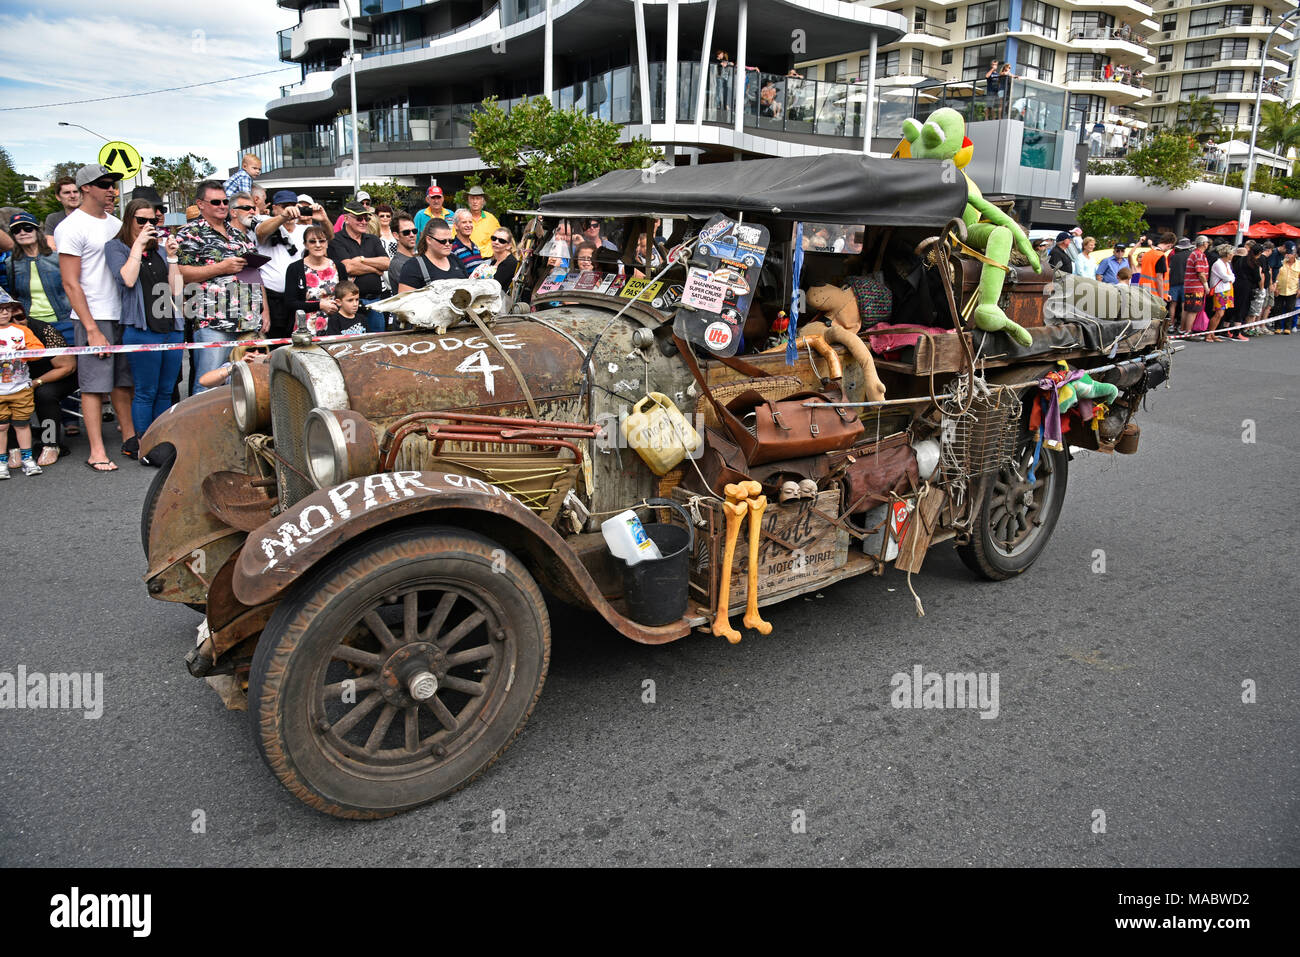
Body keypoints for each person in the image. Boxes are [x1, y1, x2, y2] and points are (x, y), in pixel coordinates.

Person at [56, 162, 133, 472]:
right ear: (85, 188)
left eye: (113, 184)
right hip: (94, 315)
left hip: (122, 313)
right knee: (93, 385)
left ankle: (130, 438)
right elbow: (70, 282)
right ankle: (97, 451)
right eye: (104, 184)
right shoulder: (71, 227)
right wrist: (90, 328)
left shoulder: (115, 223)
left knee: (123, 382)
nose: (110, 189)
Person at [105, 198, 184, 457]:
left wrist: (172, 258)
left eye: (153, 220)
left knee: (165, 389)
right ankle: (143, 443)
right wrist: (138, 244)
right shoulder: (116, 247)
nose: (148, 225)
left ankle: (162, 441)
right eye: (142, 220)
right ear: (129, 220)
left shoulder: (161, 250)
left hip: (171, 326)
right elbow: (127, 279)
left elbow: (176, 291)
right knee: (145, 391)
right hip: (141, 327)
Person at [177, 180, 268, 393]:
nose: (222, 206)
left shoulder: (240, 235)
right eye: (215, 202)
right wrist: (221, 268)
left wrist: (265, 310)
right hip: (213, 321)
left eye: (225, 201)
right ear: (200, 204)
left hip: (247, 320)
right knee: (208, 383)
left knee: (247, 383)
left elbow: (255, 274)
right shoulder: (190, 233)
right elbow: (181, 273)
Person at [1, 294, 75, 468]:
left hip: (54, 376)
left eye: (20, 316)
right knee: (7, 395)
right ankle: (13, 448)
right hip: (13, 379)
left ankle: (50, 444)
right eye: (10, 317)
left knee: (44, 394)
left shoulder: (43, 330)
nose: (16, 321)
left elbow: (67, 366)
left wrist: (36, 382)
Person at [254, 190, 325, 338]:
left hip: (299, 298)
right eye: (285, 206)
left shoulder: (305, 230)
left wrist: (323, 219)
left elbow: (329, 237)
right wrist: (283, 216)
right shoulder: (266, 223)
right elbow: (261, 233)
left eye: (293, 205)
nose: (290, 209)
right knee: (276, 345)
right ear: (274, 208)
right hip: (274, 299)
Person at [6, 213, 73, 347]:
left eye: (28, 228)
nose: (23, 232)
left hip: (64, 320)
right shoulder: (11, 263)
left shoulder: (57, 257)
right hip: (30, 323)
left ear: (37, 231)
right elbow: (13, 293)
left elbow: (72, 285)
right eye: (16, 230)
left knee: (71, 363)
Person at [0, 294, 47, 477]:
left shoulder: (21, 331)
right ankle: (2, 461)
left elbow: (39, 351)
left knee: (22, 424)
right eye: (0, 309)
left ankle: (27, 459)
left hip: (20, 387)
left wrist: (26, 351)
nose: (4, 313)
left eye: (7, 309)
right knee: (1, 427)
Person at [327, 200, 390, 332]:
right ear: (346, 219)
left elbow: (386, 263)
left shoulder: (373, 239)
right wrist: (375, 269)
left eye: (366, 218)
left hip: (375, 302)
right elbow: (348, 268)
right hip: (350, 304)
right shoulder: (336, 240)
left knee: (378, 343)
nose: (364, 222)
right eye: (359, 218)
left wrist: (361, 259)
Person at [284, 224, 350, 334]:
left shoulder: (338, 266)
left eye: (322, 241)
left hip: (336, 325)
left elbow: (346, 296)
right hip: (306, 327)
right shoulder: (295, 268)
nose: (318, 245)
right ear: (305, 245)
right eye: (312, 241)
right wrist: (320, 305)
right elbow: (290, 303)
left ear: (327, 243)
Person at [397, 219, 467, 293]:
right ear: (429, 240)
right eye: (442, 241)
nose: (447, 244)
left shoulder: (455, 260)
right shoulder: (413, 267)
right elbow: (405, 301)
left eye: (450, 241)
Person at [197, 335, 268, 389]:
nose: (256, 353)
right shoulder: (232, 366)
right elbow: (203, 381)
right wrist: (236, 366)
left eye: (261, 350)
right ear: (241, 350)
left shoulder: (269, 366)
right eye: (251, 349)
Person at [471, 227, 518, 292]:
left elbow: (494, 286)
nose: (496, 242)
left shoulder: (510, 263)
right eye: (494, 238)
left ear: (509, 246)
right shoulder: (494, 261)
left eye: (501, 241)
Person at [1181, 236, 1210, 335]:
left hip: (1189, 285)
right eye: (1207, 242)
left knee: (1188, 308)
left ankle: (1183, 328)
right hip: (1196, 286)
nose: (1208, 244)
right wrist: (1206, 285)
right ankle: (1188, 330)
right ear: (1203, 243)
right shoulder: (1199, 255)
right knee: (1193, 309)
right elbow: (1200, 273)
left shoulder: (1194, 253)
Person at [1207, 244, 1236, 343]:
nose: (1233, 255)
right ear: (1227, 254)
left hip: (1226, 289)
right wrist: (1230, 278)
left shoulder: (1227, 264)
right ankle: (1209, 334)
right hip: (1219, 290)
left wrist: (1230, 278)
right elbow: (1226, 277)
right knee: (1218, 313)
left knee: (1221, 313)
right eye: (1232, 253)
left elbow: (1232, 276)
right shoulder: (1218, 264)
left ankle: (1213, 333)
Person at [1137, 232, 1173, 303]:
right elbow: (1159, 278)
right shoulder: (1161, 256)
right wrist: (1162, 298)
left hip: (1143, 291)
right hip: (1155, 296)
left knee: (1144, 313)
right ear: (1169, 245)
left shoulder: (1147, 254)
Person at [463, 186, 500, 257]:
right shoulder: (462, 218)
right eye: (472, 198)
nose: (475, 201)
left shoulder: (491, 219)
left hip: (487, 260)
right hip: (466, 259)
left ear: (483, 201)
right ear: (468, 201)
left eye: (478, 198)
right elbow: (454, 239)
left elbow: (500, 238)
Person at [387, 213, 419, 293]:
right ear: (396, 235)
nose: (412, 235)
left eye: (414, 231)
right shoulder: (397, 264)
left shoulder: (419, 258)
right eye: (406, 232)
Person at [1272, 242, 1299, 334]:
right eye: (1287, 253)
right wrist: (1275, 287)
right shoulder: (1281, 262)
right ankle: (1278, 327)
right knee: (1277, 309)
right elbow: (1275, 274)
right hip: (1280, 289)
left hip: (1292, 290)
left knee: (1290, 309)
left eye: (1290, 254)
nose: (1288, 255)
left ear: (1294, 255)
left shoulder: (1299, 264)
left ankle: (1288, 327)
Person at [450, 209, 485, 273]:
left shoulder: (475, 247)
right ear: (456, 226)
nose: (468, 225)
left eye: (470, 222)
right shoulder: (452, 249)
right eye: (464, 222)